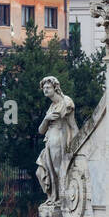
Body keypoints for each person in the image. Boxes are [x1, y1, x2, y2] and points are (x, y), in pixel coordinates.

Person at [36, 76, 78, 205]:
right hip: (49, 140)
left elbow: (73, 125)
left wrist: (76, 146)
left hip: (60, 137)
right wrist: (46, 119)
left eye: (48, 87)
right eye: (44, 88)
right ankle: (53, 196)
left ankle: (61, 198)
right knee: (40, 171)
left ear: (55, 88)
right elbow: (41, 130)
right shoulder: (52, 106)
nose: (45, 90)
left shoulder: (66, 102)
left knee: (58, 168)